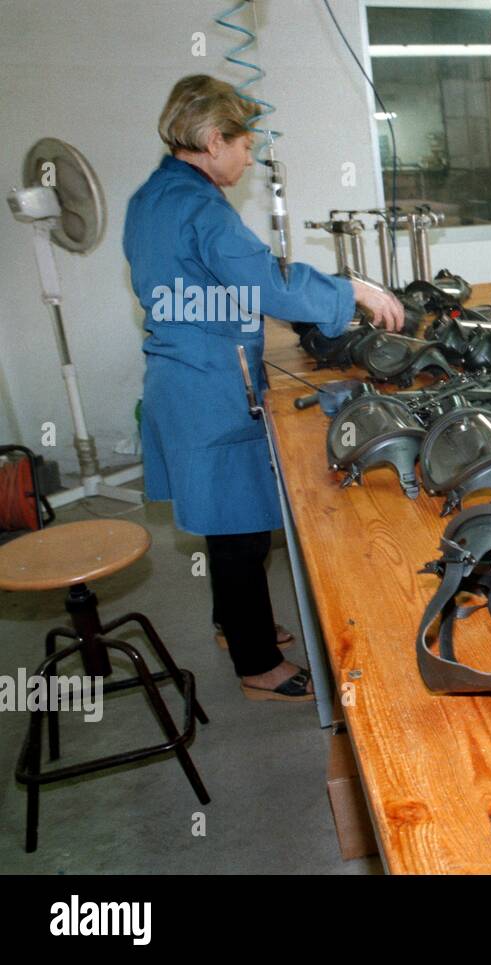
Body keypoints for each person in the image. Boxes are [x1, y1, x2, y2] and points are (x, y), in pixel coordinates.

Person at [123, 75, 403, 702]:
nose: (250, 158)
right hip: (210, 380)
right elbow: (262, 282)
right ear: (213, 139)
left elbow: (220, 284)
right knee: (239, 523)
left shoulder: (152, 196)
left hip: (182, 370)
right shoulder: (197, 206)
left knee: (231, 524)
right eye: (244, 145)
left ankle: (233, 623)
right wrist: (352, 289)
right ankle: (256, 665)